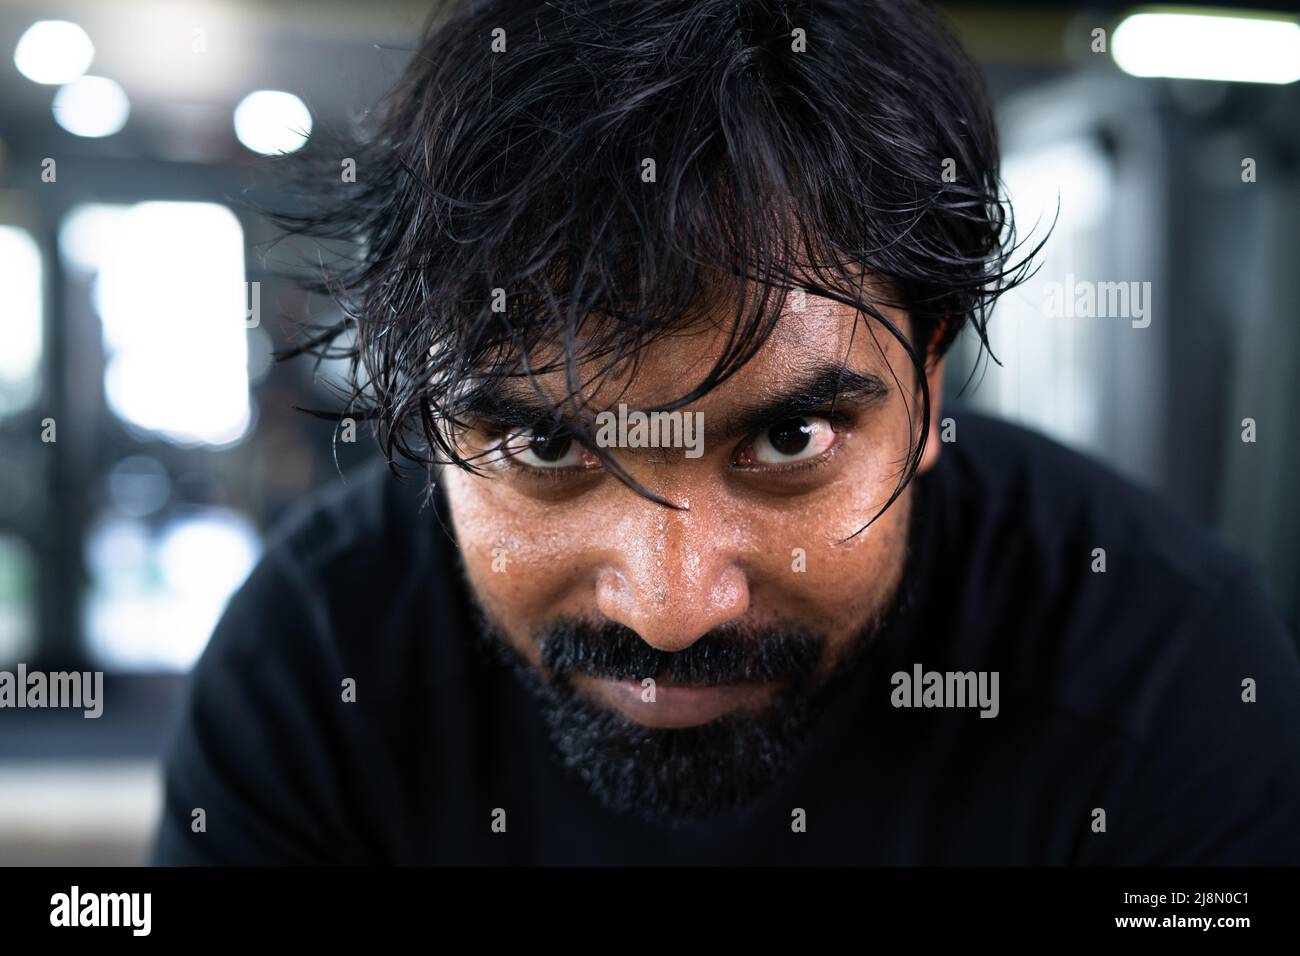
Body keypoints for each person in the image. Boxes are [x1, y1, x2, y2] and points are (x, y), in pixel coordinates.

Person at [152, 0, 1300, 864]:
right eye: (548, 448)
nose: (669, 606)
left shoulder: (1160, 664)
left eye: (790, 437)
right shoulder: (312, 663)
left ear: (931, 390)